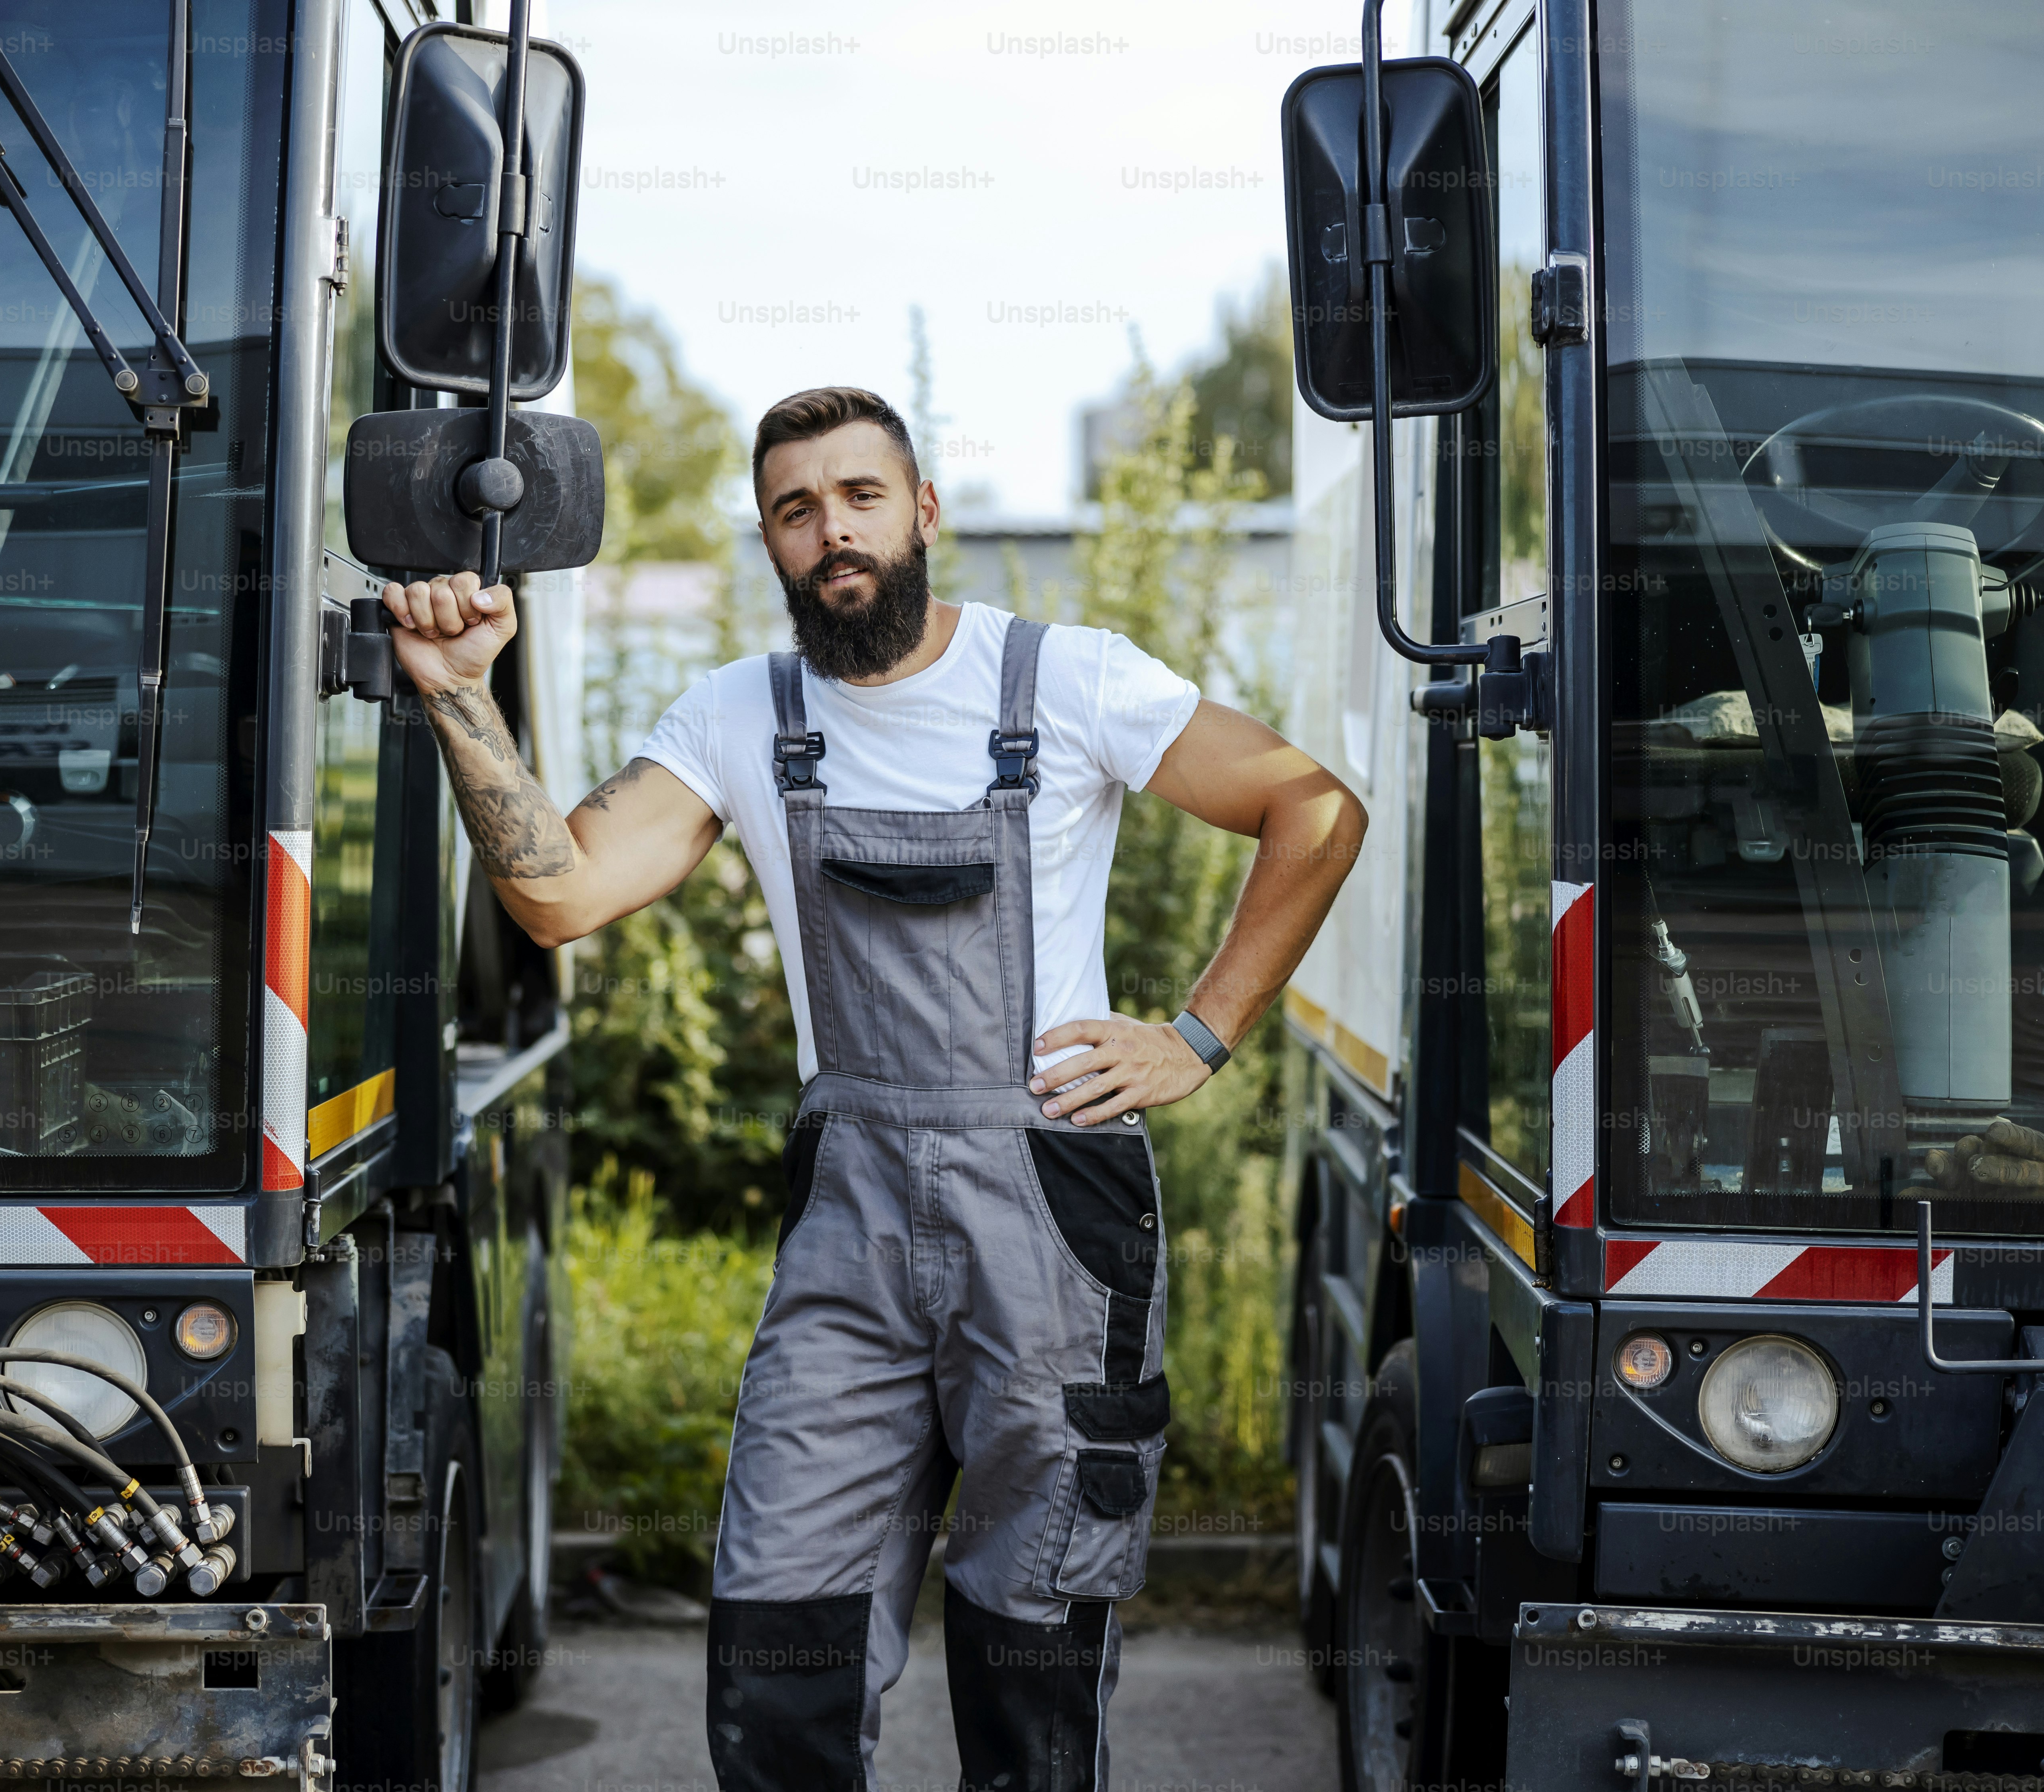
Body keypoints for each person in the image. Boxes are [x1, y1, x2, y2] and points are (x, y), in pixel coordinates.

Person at [382, 386, 1364, 1790]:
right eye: (796, 510)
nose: (831, 531)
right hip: (852, 1217)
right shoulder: (738, 715)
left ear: (923, 513)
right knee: (781, 1622)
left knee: (1031, 1637)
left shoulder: (1066, 679)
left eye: (858, 496)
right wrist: (463, 694)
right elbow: (559, 897)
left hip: (1053, 1211)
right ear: (772, 545)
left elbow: (1315, 808)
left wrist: (1198, 1036)